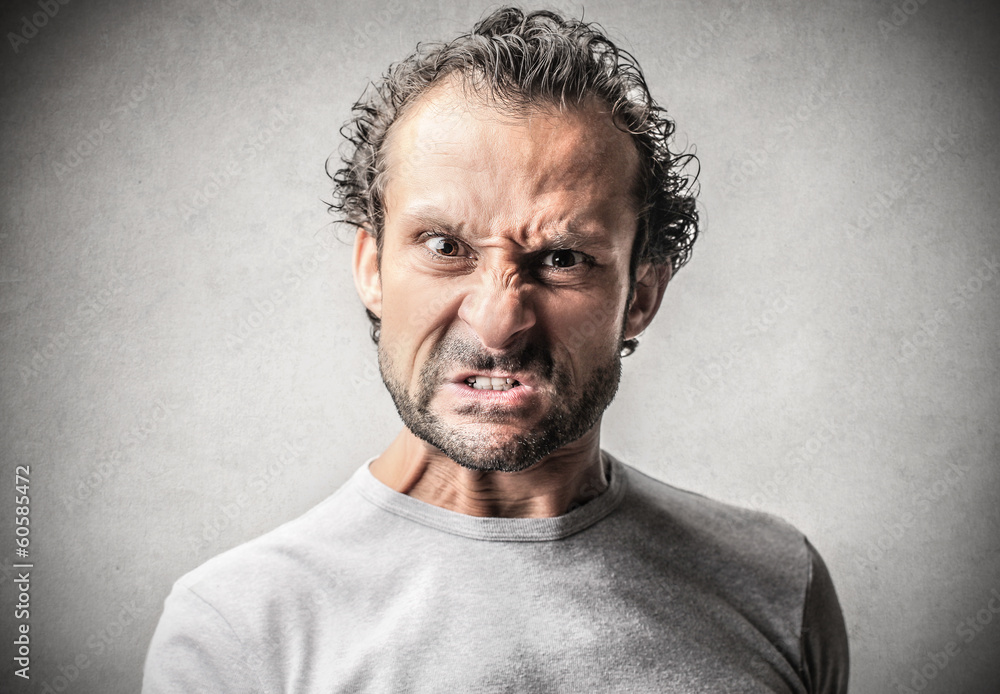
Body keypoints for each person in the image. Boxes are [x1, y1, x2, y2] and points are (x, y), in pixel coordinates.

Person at [143, 7, 849, 692]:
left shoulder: (778, 584)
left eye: (563, 258)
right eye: (444, 246)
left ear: (640, 295)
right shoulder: (236, 631)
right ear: (372, 269)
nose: (497, 322)